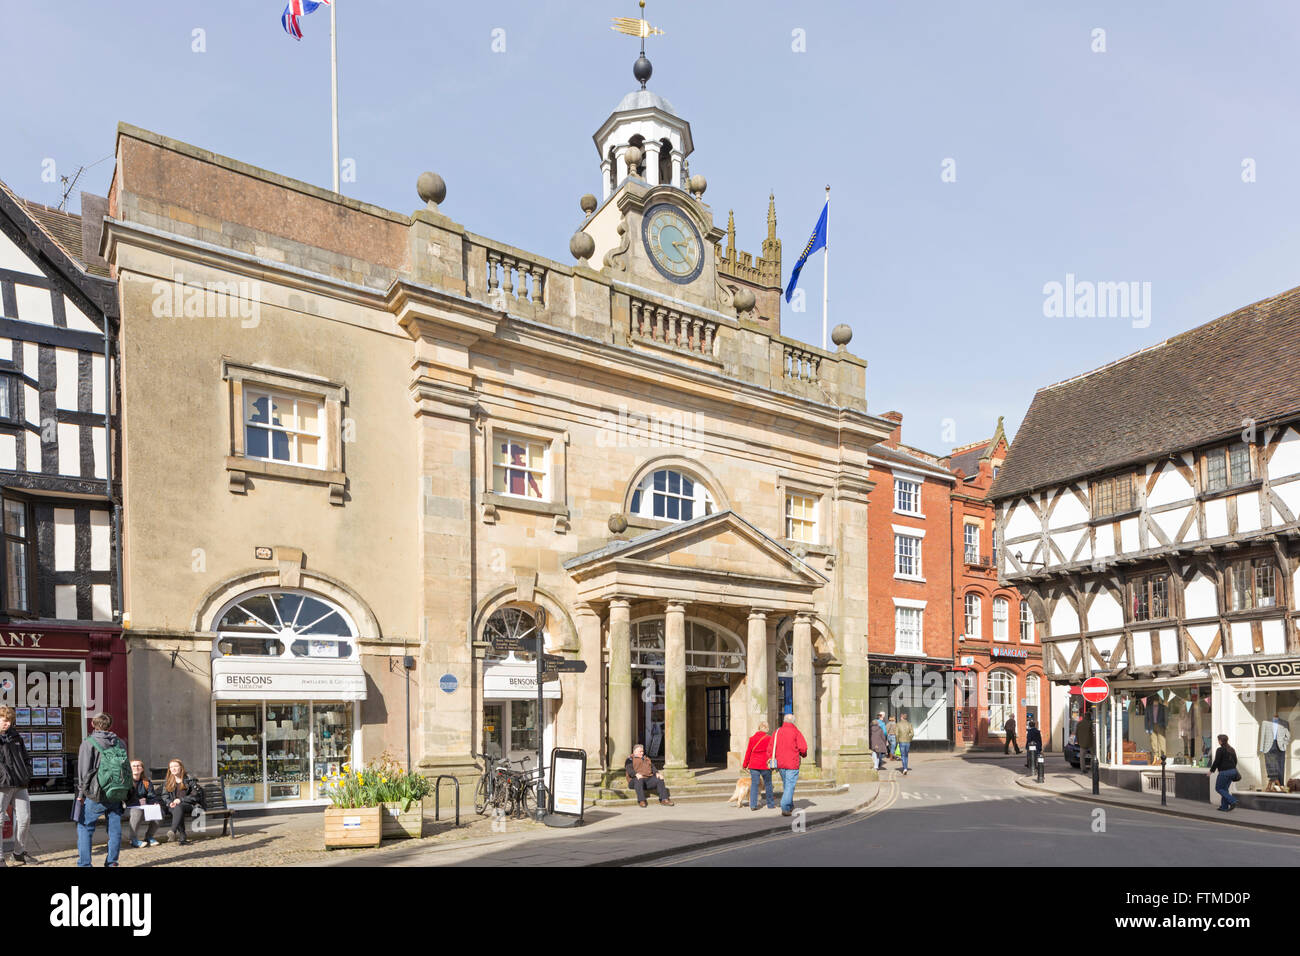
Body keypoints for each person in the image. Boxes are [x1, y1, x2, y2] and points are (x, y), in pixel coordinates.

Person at [76, 712, 129, 868]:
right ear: (109, 725)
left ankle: (85, 864)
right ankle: (112, 862)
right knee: (114, 828)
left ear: (93, 724)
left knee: (85, 827)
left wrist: (81, 794)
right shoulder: (120, 742)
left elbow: (84, 771)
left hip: (95, 792)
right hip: (116, 791)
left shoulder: (88, 742)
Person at [0, 705, 34, 865]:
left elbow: (26, 757)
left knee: (24, 818)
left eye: (9, 721)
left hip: (20, 783)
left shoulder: (15, 736)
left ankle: (18, 853)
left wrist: (27, 772)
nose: (7, 724)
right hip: (2, 785)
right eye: (4, 720)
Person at [774, 713, 809, 817]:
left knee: (787, 785)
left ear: (784, 721)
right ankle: (785, 807)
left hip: (780, 763)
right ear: (793, 721)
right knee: (790, 785)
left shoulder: (777, 732)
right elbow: (803, 748)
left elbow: (771, 748)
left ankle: (790, 805)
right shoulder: (796, 732)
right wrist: (803, 754)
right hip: (792, 763)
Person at [162, 758, 203, 844]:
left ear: (181, 767)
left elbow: (196, 796)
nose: (173, 768)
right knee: (176, 808)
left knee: (179, 807)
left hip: (189, 805)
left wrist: (181, 800)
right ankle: (182, 836)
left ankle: (173, 831)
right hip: (173, 806)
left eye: (176, 766)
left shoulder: (190, 780)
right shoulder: (168, 781)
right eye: (171, 767)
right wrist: (169, 802)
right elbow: (164, 795)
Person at [126, 760, 162, 848]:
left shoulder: (146, 782)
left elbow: (151, 795)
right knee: (137, 812)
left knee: (159, 811)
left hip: (144, 806)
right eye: (133, 766)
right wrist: (138, 801)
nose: (136, 768)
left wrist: (153, 803)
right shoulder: (125, 781)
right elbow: (124, 798)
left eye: (139, 766)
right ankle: (133, 839)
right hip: (126, 808)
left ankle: (149, 836)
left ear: (142, 769)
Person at [741, 720, 775, 811]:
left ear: (759, 728)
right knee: (768, 784)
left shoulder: (752, 738)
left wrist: (745, 764)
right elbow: (772, 752)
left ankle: (753, 805)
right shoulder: (769, 738)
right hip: (765, 765)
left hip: (754, 764)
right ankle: (770, 804)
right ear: (766, 728)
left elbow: (748, 752)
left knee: (754, 785)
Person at [1209, 734, 1239, 812]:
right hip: (1233, 771)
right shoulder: (1231, 749)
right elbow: (1236, 761)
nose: (1218, 741)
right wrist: (1231, 768)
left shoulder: (1220, 750)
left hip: (1224, 772)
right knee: (1224, 789)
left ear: (1221, 741)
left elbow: (1216, 761)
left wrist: (1211, 771)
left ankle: (1232, 800)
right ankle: (1224, 807)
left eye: (1218, 740)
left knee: (1218, 788)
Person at [1075, 709, 1094, 775]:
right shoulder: (1091, 723)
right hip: (1091, 742)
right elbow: (1093, 733)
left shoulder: (1079, 723)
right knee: (1093, 755)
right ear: (1089, 716)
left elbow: (1076, 733)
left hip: (1082, 743)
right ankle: (1093, 767)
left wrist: (1078, 741)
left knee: (1082, 757)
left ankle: (1083, 769)